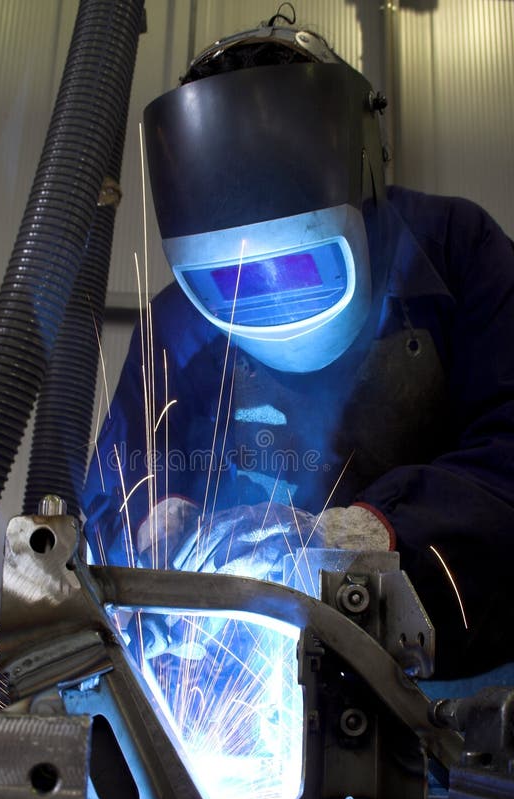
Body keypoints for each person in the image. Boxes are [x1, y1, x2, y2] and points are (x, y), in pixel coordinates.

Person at [82, 12, 514, 678]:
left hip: (460, 683)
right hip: (253, 688)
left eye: (298, 264)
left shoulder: (459, 252)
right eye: (230, 281)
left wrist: (368, 535)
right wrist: (153, 526)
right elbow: (118, 484)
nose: (268, 295)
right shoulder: (177, 325)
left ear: (361, 173)